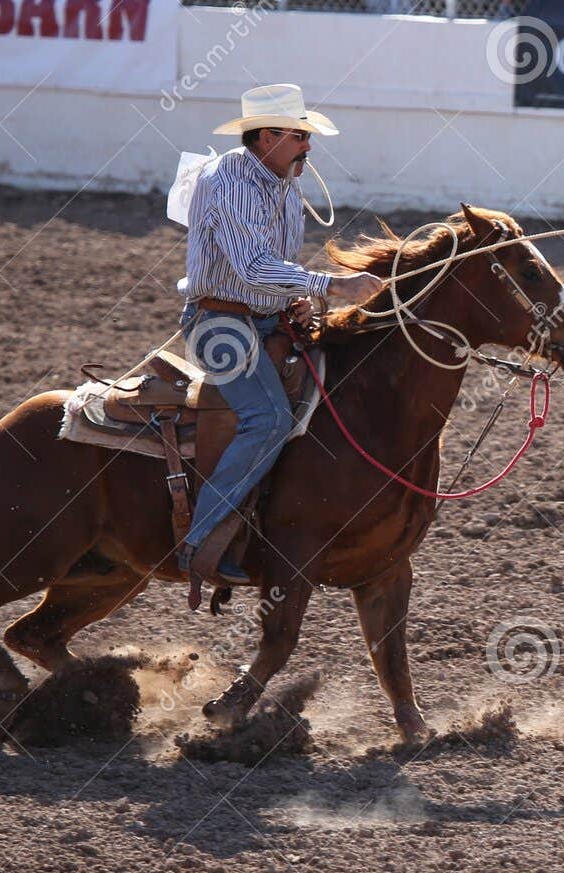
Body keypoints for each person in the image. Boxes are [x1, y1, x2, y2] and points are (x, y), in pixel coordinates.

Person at [175, 84, 384, 584]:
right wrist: (332, 284)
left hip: (266, 318)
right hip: (218, 322)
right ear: (267, 136)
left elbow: (276, 266)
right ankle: (199, 541)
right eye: (299, 136)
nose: (308, 146)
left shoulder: (283, 179)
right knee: (268, 417)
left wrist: (299, 298)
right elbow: (251, 268)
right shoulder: (230, 180)